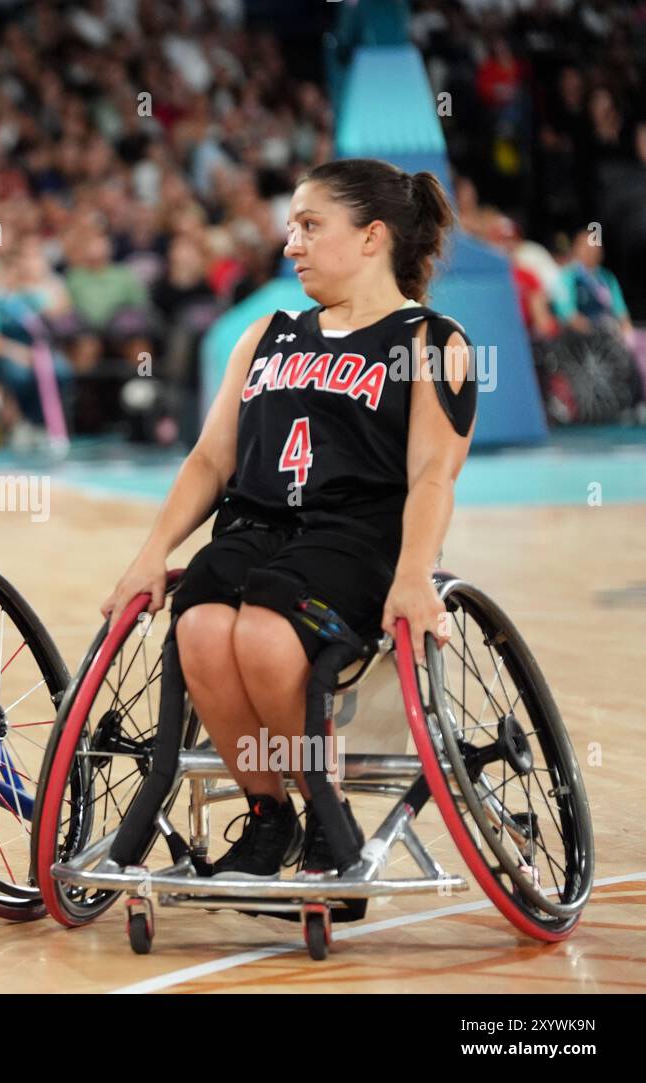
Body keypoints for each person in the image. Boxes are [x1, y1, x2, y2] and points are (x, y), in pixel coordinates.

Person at [101, 159, 475, 883]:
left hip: (355, 536)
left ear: (372, 237)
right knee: (202, 628)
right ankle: (271, 817)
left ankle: (324, 812)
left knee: (268, 637)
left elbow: (434, 473)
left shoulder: (432, 339)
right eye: (291, 228)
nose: (290, 245)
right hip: (257, 527)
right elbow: (211, 461)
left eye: (309, 226)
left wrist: (413, 575)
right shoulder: (267, 334)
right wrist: (150, 553)